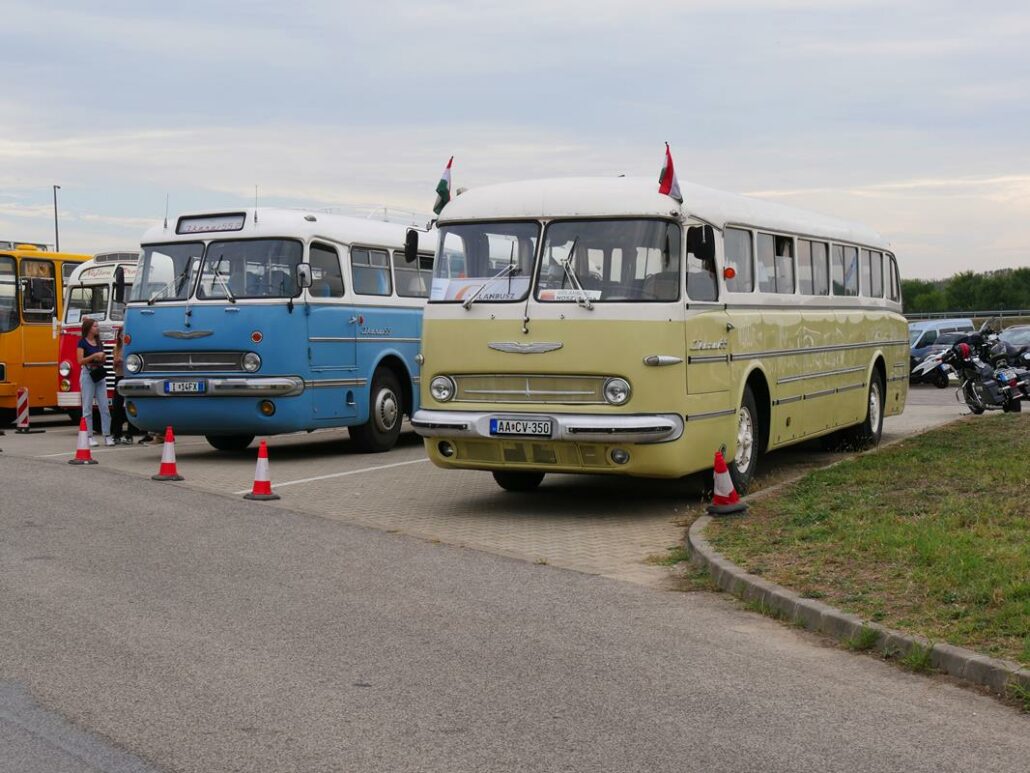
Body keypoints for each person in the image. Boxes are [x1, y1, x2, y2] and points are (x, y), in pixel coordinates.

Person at [76, 317, 114, 447]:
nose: (97, 328)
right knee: (87, 407)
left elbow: (103, 358)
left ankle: (107, 435)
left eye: (97, 326)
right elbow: (80, 361)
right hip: (88, 374)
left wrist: (102, 358)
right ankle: (89, 436)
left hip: (99, 374)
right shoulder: (82, 343)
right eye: (95, 326)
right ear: (88, 328)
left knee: (104, 407)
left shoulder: (98, 342)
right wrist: (93, 356)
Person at [110, 328, 136, 444]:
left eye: (124, 334)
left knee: (130, 405)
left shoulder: (131, 348)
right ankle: (116, 433)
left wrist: (124, 361)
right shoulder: (116, 349)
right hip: (119, 377)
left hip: (128, 377)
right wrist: (116, 362)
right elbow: (113, 368)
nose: (122, 336)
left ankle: (130, 434)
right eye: (121, 334)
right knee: (117, 406)